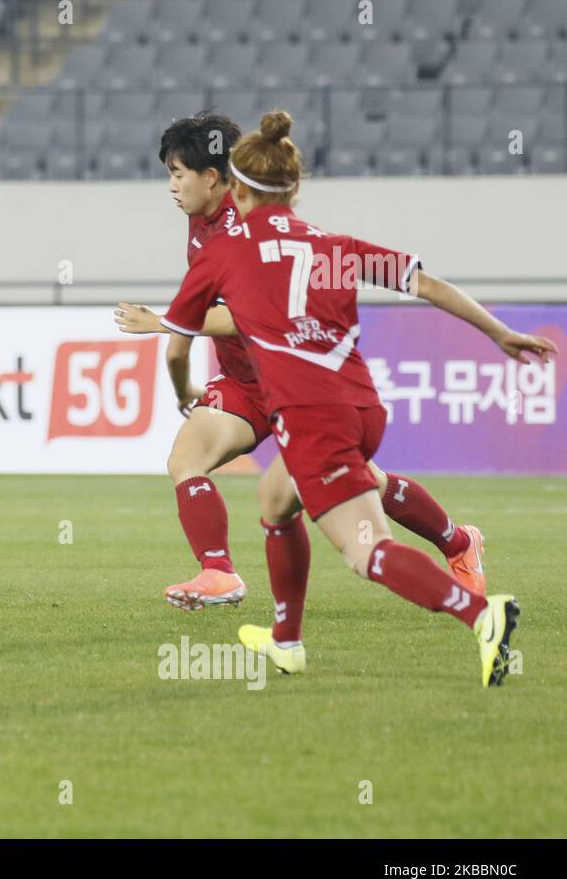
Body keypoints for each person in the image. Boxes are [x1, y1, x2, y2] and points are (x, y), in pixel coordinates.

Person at [160, 110, 556, 686]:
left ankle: (481, 614)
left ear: (236, 188)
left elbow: (176, 351)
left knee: (366, 551)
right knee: (275, 503)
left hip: (309, 417)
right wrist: (496, 331)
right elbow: (425, 282)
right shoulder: (335, 246)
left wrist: (186, 393)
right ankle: (286, 642)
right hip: (362, 407)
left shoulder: (225, 249)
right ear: (293, 189)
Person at [115, 113, 485, 612]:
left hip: (296, 381)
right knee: (186, 460)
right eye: (169, 173)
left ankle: (458, 543)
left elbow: (244, 316)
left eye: (178, 173)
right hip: (248, 384)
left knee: (367, 484)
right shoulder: (201, 221)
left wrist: (164, 323)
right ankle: (219, 573)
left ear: (212, 176)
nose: (171, 186)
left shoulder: (245, 228)